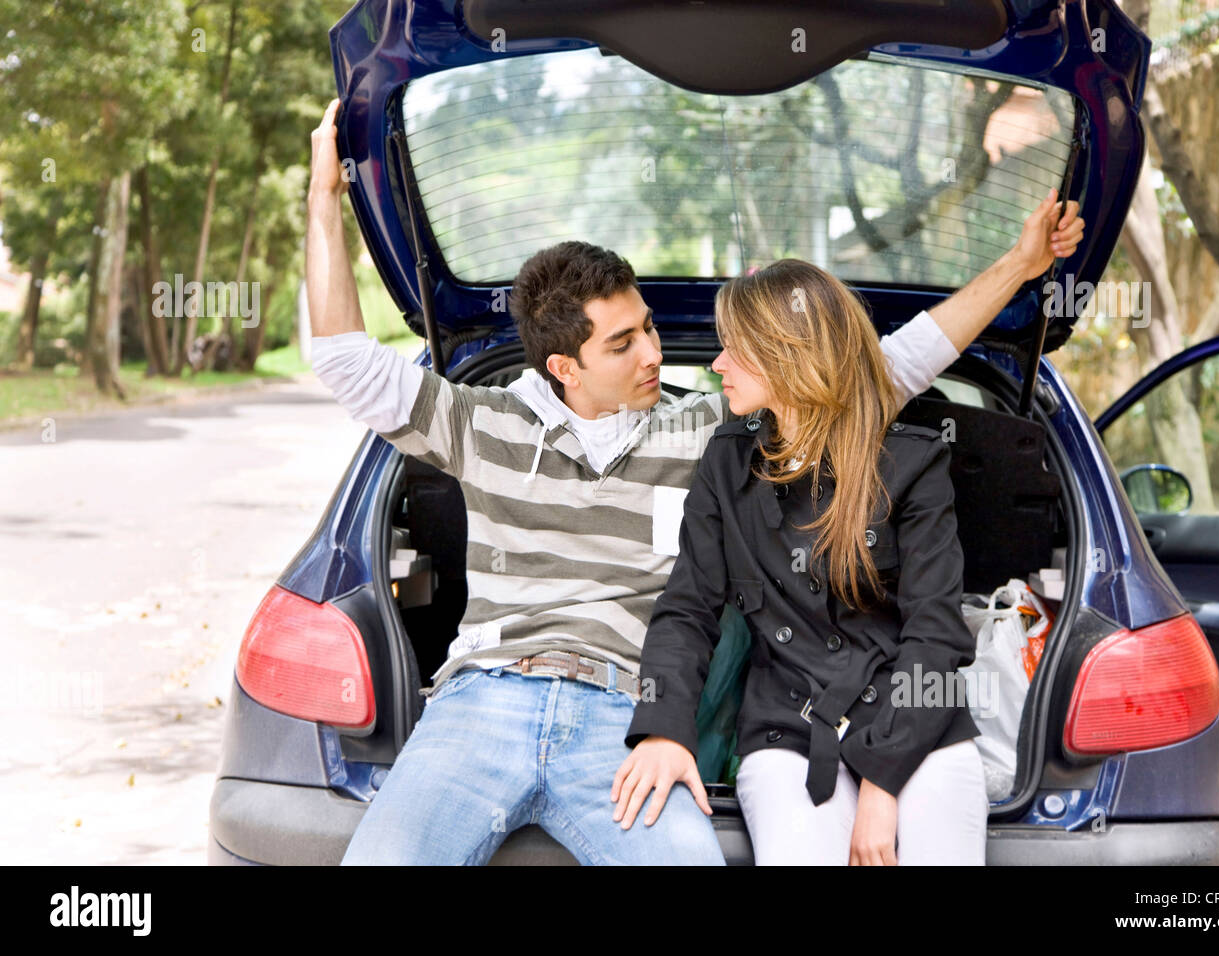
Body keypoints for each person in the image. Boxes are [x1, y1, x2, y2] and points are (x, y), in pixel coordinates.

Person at [304, 98, 1084, 864]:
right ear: (564, 368)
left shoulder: (706, 432)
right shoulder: (479, 425)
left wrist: (1020, 266)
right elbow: (342, 360)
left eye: (648, 326)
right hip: (483, 700)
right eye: (624, 344)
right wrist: (322, 200)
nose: (654, 355)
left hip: (621, 713)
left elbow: (873, 367)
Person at [616, 259, 988, 865]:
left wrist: (882, 780)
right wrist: (663, 728)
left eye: (735, 348)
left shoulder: (912, 464)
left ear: (789, 356)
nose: (717, 365)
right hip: (785, 729)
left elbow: (936, 638)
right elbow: (688, 609)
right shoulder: (727, 464)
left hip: (916, 717)